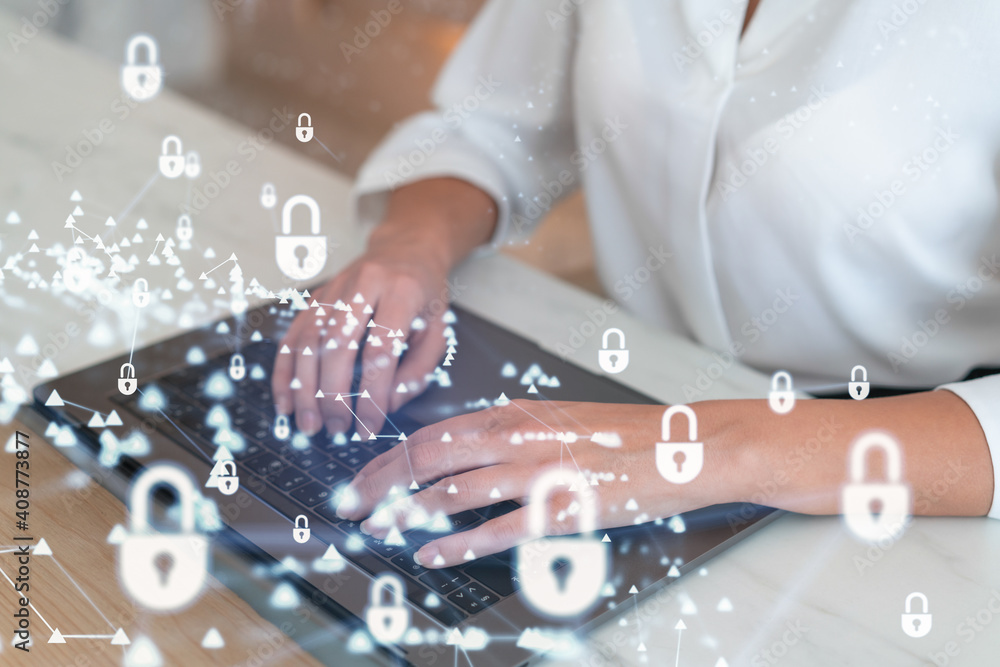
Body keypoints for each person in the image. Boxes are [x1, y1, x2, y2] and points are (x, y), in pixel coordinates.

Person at [272, 0, 1000, 569]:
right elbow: (492, 122)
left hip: (919, 447)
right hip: (629, 386)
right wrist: (411, 244)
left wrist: (721, 451)